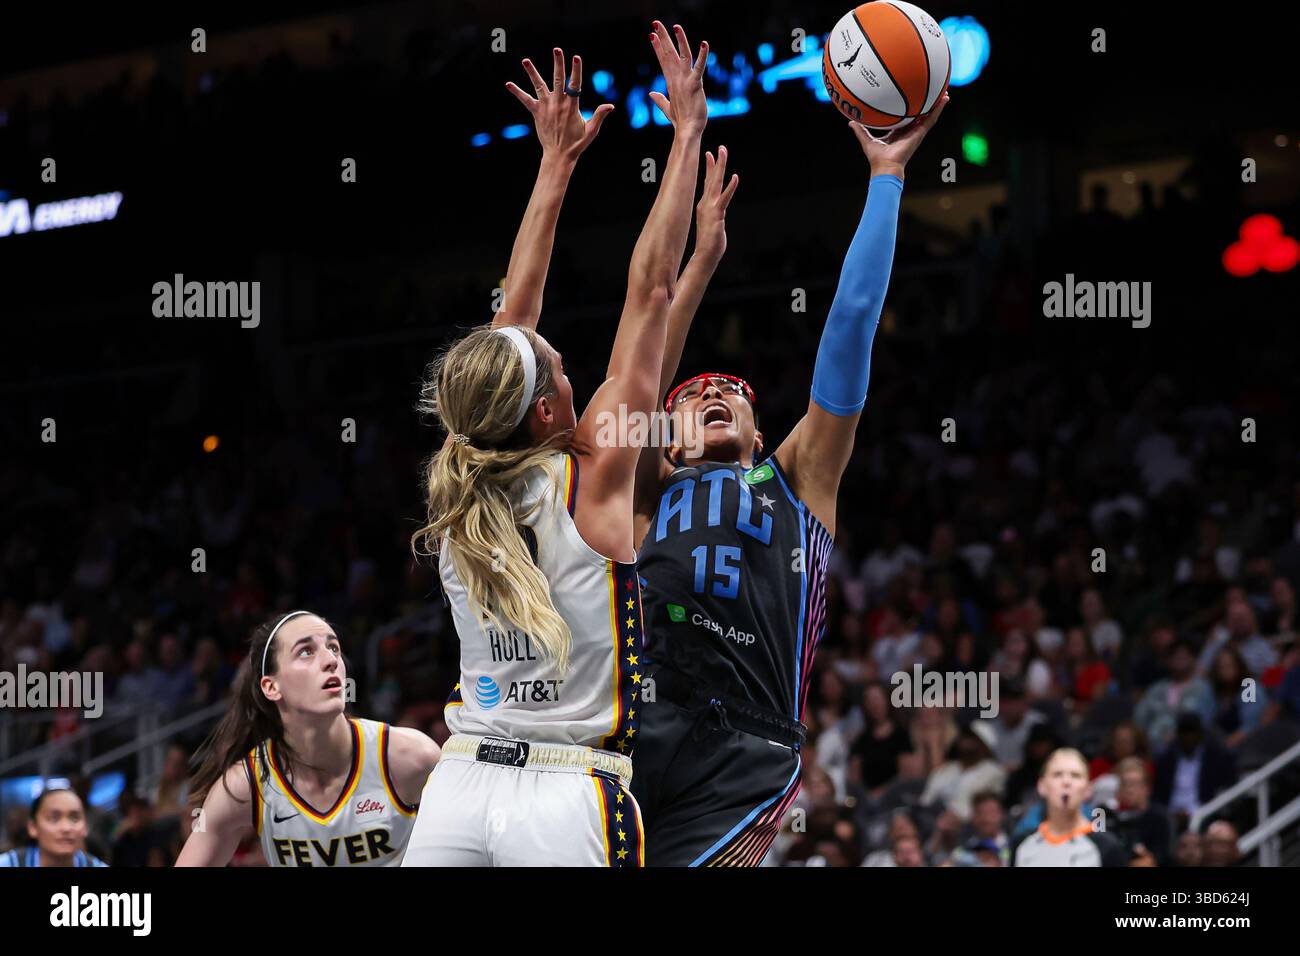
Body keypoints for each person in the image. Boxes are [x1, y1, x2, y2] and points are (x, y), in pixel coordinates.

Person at [401, 24, 709, 867]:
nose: (571, 372)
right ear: (545, 413)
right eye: (562, 372)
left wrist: (556, 164)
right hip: (567, 791)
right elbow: (651, 291)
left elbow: (509, 328)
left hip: (460, 784)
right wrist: (686, 136)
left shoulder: (457, 472)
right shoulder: (598, 470)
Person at [628, 85, 950, 866]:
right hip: (628, 723)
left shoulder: (798, 479)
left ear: (761, 433)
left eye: (730, 394)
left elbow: (849, 325)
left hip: (745, 755)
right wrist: (702, 261)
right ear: (663, 437)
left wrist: (886, 175)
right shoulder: (641, 489)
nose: (710, 393)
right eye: (692, 397)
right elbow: (640, 358)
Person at [177, 610, 440, 866]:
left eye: (334, 648)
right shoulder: (244, 786)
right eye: (306, 651)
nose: (331, 660)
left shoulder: (411, 757)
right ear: (271, 686)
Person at [1009, 748, 1130, 867]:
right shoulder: (1021, 844)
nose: (1066, 782)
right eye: (1057, 775)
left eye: (1075, 775)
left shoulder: (1107, 847)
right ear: (1042, 786)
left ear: (1088, 789)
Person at [0, 787, 107, 867]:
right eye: (54, 818)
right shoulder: (9, 864)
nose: (66, 828)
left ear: (85, 827)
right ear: (33, 827)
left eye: (74, 819)